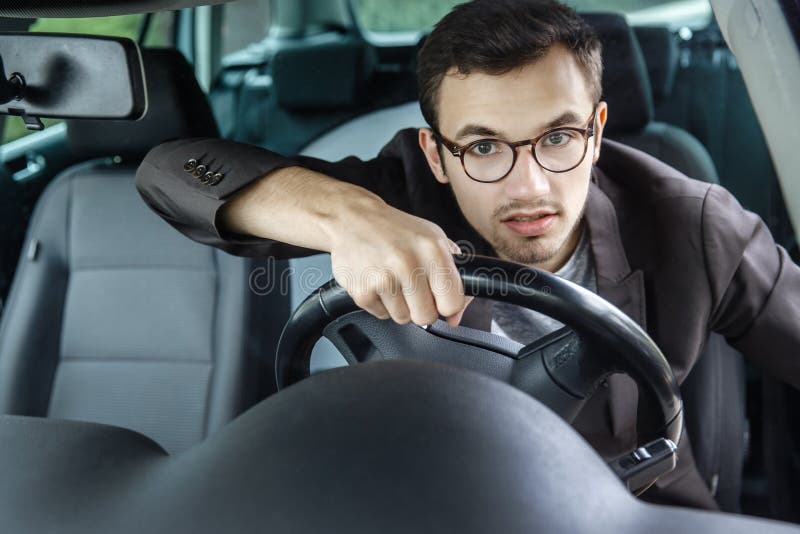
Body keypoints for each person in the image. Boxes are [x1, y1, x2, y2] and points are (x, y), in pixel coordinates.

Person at [135, 0, 800, 511]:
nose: (529, 185)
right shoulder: (400, 192)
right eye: (483, 147)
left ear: (597, 133)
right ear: (437, 154)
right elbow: (171, 172)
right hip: (448, 510)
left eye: (558, 137)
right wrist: (348, 217)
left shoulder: (692, 222)